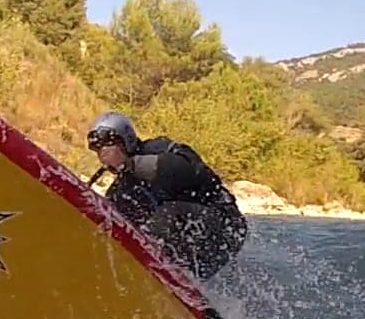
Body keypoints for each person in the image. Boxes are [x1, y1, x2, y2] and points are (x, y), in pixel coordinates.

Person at [86, 111, 248, 280]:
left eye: (108, 145)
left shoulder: (160, 149)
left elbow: (190, 169)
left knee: (169, 214)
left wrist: (129, 164)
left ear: (126, 140)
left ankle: (166, 276)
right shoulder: (120, 192)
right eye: (98, 149)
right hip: (194, 244)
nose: (102, 153)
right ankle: (178, 288)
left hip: (226, 224)